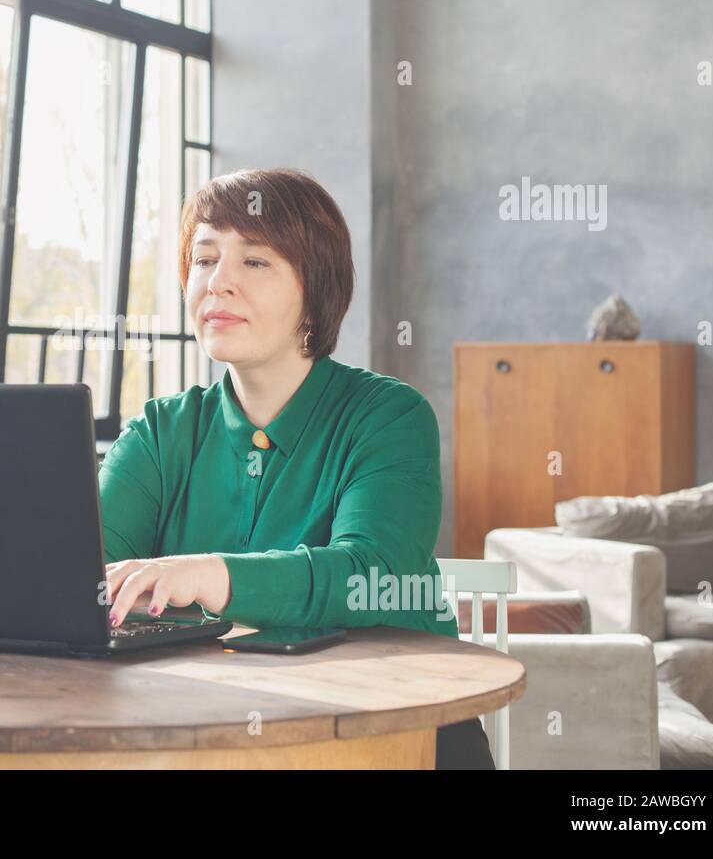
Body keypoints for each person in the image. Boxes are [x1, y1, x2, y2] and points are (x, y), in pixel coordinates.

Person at [98, 167, 494, 769]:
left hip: (392, 737)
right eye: (204, 260)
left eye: (255, 262)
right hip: (210, 735)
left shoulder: (389, 416)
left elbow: (371, 573)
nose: (218, 282)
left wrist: (209, 575)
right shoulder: (158, 432)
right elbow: (83, 578)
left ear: (316, 290)